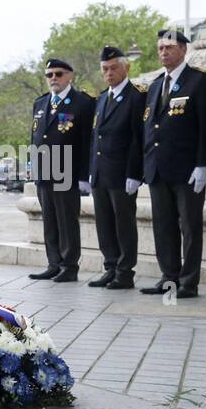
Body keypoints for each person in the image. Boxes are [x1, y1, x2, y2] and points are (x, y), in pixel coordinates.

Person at [141, 29, 206, 299]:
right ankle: (169, 277)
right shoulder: (154, 86)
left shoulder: (198, 81)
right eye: (160, 48)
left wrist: (203, 164)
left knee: (190, 227)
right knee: (163, 226)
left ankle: (188, 282)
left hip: (187, 170)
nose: (163, 52)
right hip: (158, 169)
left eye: (169, 47)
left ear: (183, 50)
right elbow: (150, 128)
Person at [27, 59, 95, 282]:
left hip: (68, 172)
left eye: (58, 74)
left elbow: (87, 142)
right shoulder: (41, 103)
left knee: (67, 222)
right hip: (44, 171)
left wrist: (84, 176)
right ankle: (54, 263)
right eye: (49, 75)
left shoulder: (83, 103)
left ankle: (69, 266)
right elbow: (35, 138)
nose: (53, 78)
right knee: (50, 221)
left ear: (70, 76)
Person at [86, 47, 144, 289]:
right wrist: (90, 170)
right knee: (104, 224)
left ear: (126, 68)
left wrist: (134, 173)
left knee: (124, 224)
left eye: (113, 68)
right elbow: (95, 138)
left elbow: (138, 139)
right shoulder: (101, 99)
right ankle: (110, 267)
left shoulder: (136, 97)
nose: (109, 73)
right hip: (101, 173)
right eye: (105, 69)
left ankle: (125, 271)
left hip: (122, 174)